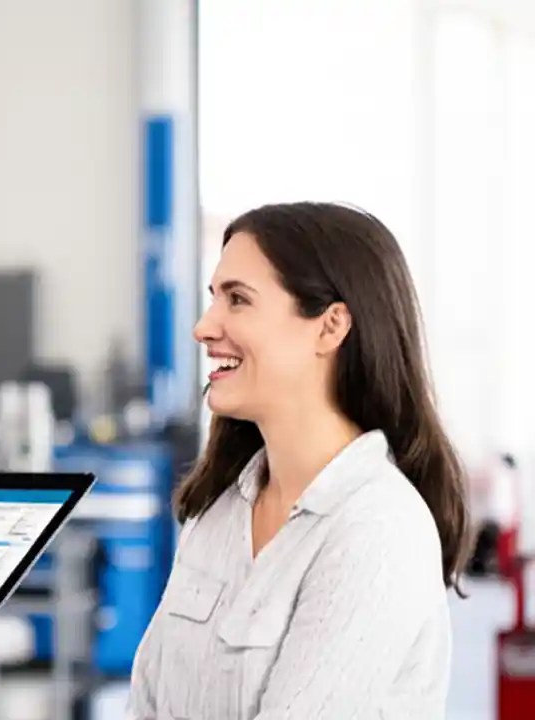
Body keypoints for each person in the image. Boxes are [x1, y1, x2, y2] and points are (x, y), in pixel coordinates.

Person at [126, 203, 470, 719]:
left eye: (237, 300)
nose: (203, 327)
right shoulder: (219, 513)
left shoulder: (378, 529)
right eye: (213, 298)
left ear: (330, 327)